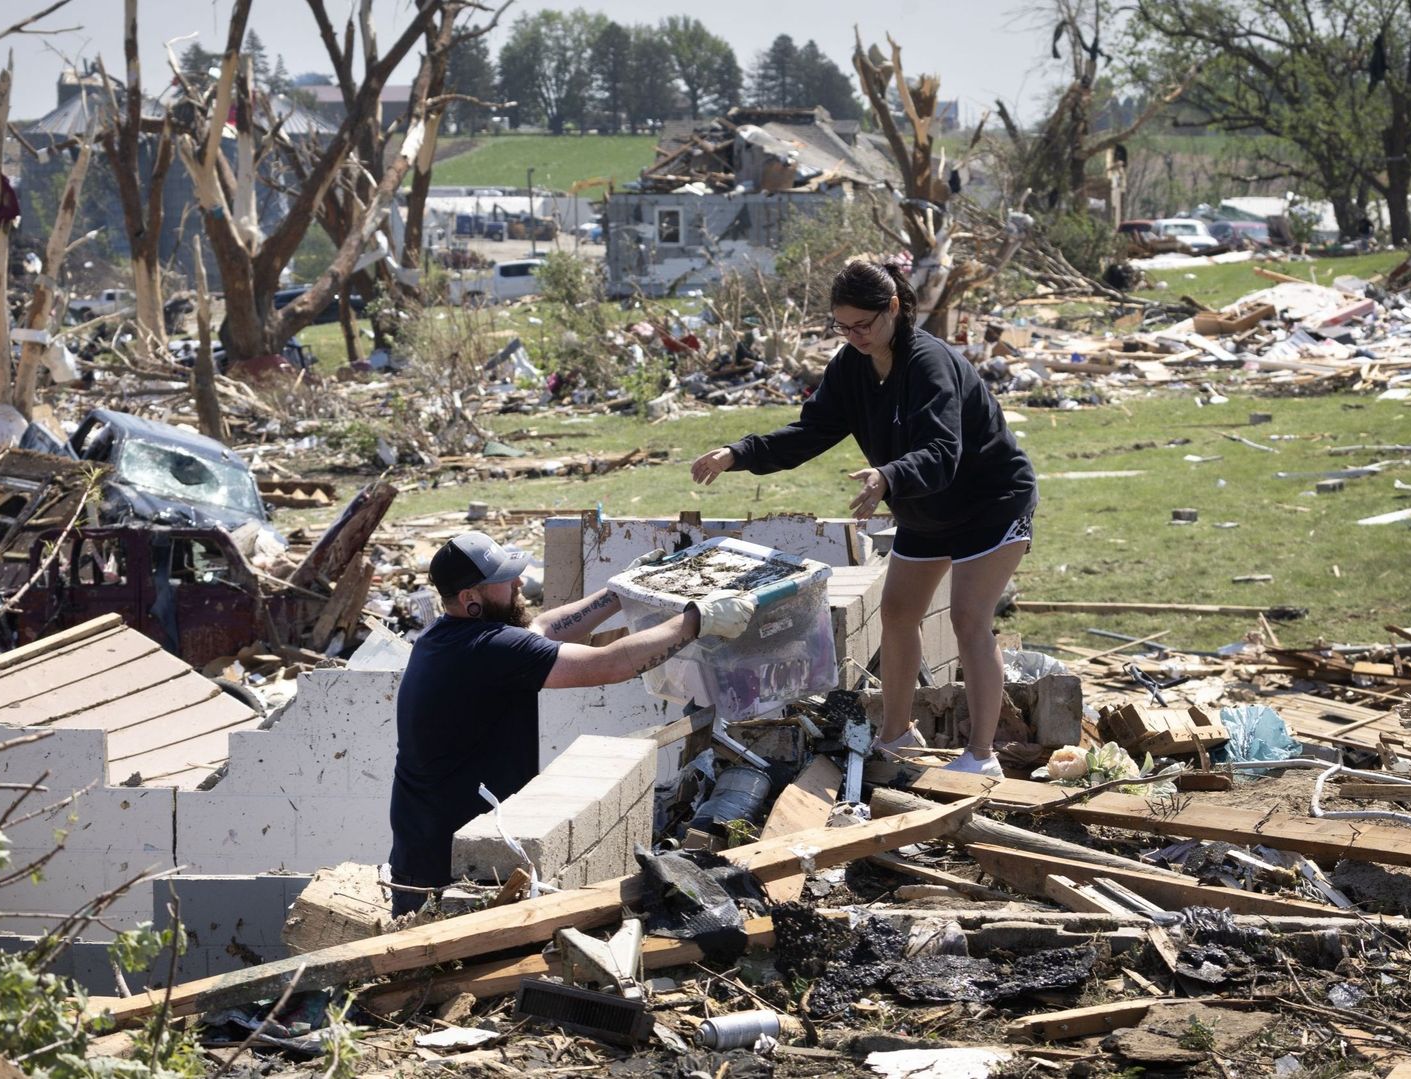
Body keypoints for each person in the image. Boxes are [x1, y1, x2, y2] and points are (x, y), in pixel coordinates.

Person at [691, 258, 1038, 776]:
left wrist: (889, 476)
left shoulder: (929, 364)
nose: (854, 337)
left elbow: (943, 448)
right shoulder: (851, 367)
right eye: (843, 327)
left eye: (864, 325)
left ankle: (981, 757)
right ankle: (899, 736)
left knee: (968, 619)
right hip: (927, 506)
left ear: (893, 308)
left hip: (992, 502)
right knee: (897, 614)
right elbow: (810, 432)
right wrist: (737, 452)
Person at [388, 531, 753, 914]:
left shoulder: (445, 636)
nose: (517, 584)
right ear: (471, 599)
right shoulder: (490, 649)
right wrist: (695, 622)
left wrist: (617, 594)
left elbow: (543, 629)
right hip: (448, 871)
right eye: (504, 581)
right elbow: (610, 665)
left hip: (424, 852)